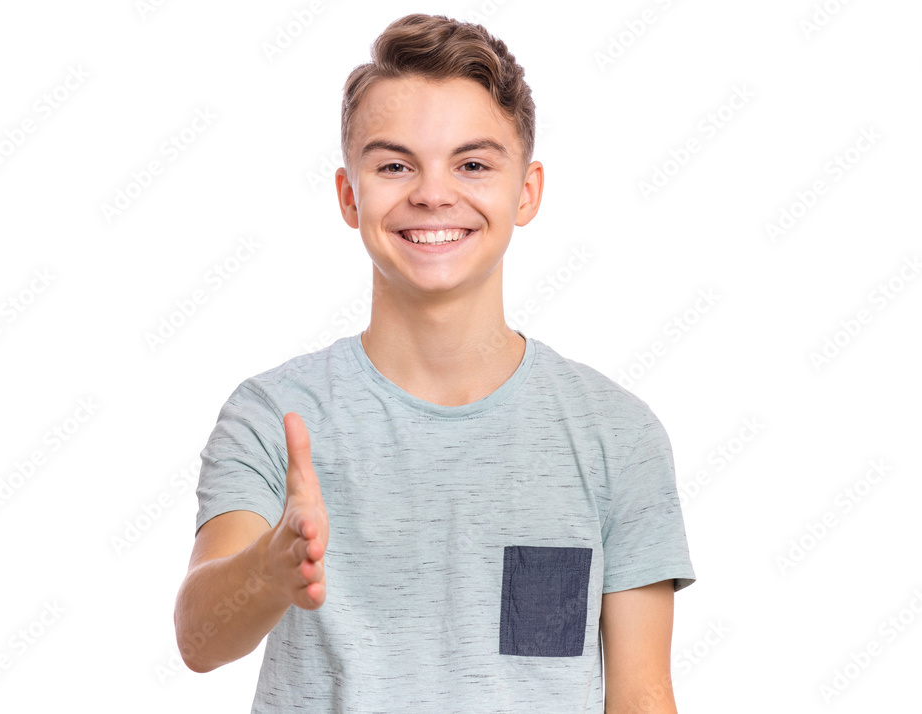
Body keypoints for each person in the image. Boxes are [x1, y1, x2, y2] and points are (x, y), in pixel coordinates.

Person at [174, 12, 695, 713]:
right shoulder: (273, 415)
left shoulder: (616, 436)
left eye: (473, 164)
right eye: (394, 165)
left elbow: (642, 694)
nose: (432, 193)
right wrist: (269, 571)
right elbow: (198, 640)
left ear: (527, 191)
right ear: (348, 195)